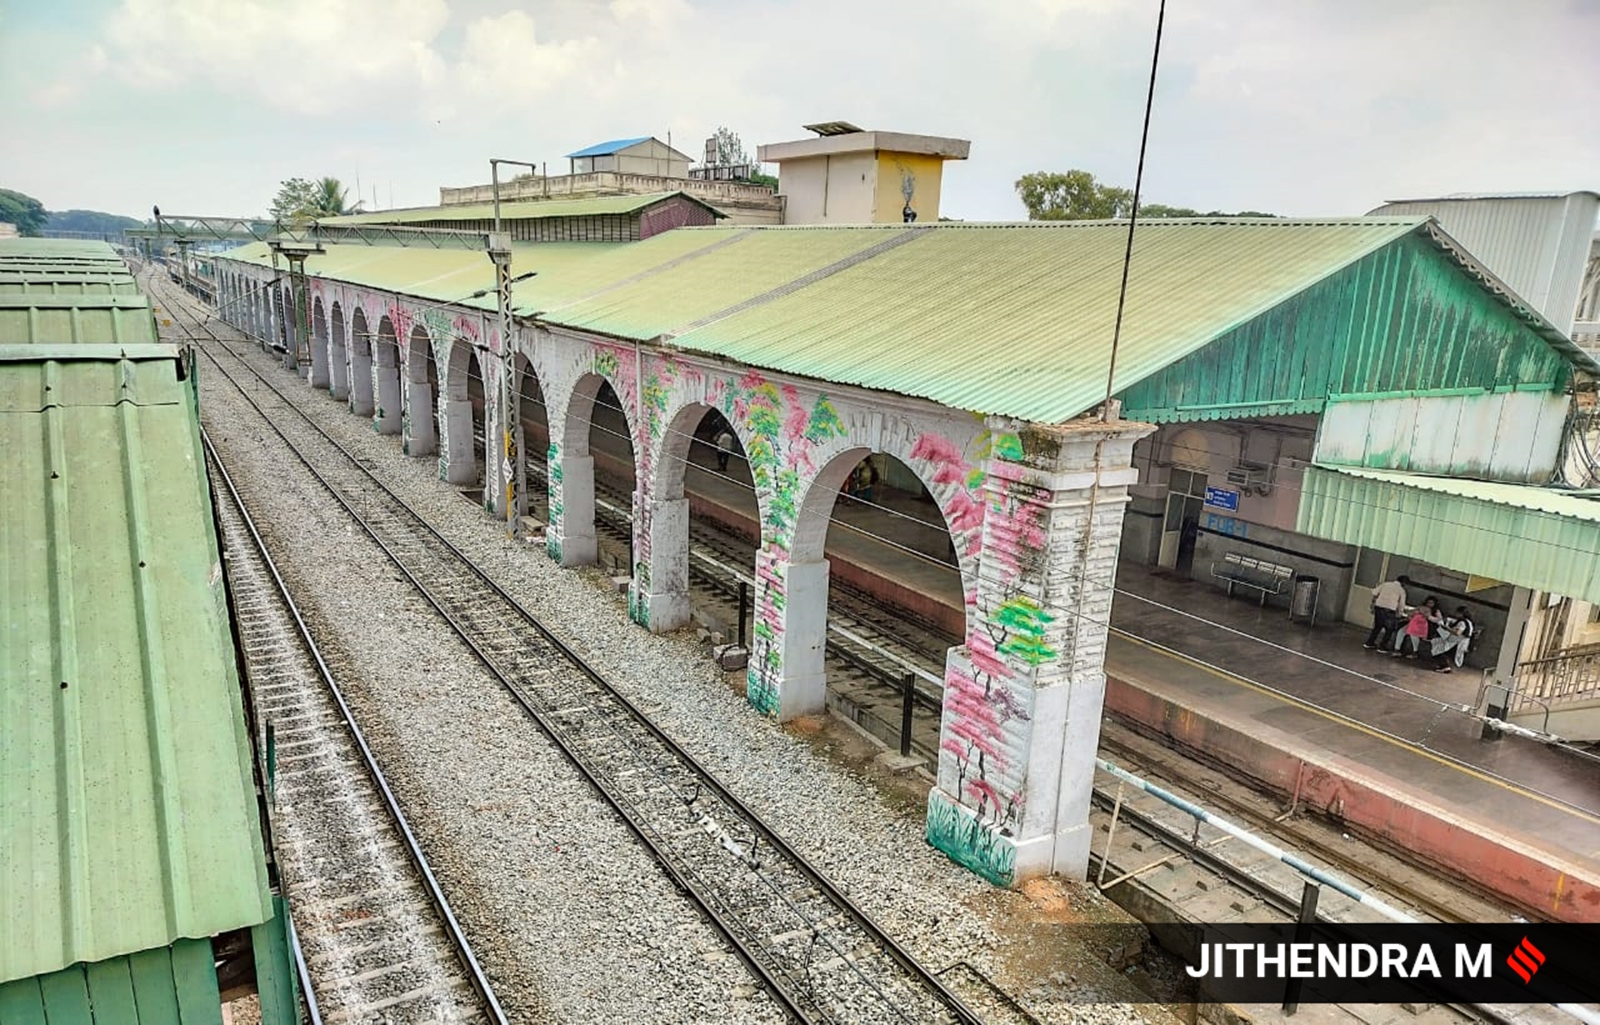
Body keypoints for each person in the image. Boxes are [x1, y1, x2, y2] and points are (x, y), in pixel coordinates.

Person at [1364, 574, 1411, 651]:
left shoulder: (1385, 584)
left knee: (1377, 626)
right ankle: (1382, 646)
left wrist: (1373, 604)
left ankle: (1369, 642)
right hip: (1389, 610)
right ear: (1404, 583)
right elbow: (1401, 604)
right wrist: (1399, 613)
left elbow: (1374, 593)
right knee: (1389, 629)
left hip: (1378, 607)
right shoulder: (1401, 590)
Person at [1430, 606, 1475, 673]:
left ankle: (1445, 666)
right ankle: (1442, 665)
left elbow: (1457, 633)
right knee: (1436, 643)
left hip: (1457, 642)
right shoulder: (1468, 622)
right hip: (1458, 641)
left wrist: (1447, 628)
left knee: (1438, 648)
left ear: (1461, 613)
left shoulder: (1462, 623)